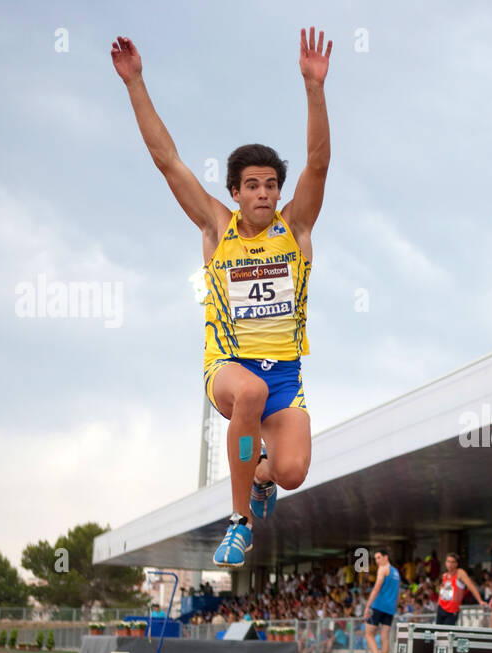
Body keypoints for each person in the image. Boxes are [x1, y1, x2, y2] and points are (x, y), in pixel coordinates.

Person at [111, 30, 332, 567]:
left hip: (286, 375)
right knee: (249, 392)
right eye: (251, 185)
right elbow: (167, 160)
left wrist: (313, 87)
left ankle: (260, 476)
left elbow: (319, 163)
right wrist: (136, 82)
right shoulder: (216, 226)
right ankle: (238, 523)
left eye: (270, 185)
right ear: (234, 192)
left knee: (292, 472)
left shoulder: (296, 227)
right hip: (229, 368)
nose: (263, 193)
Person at [362, 550, 400, 653]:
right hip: (390, 608)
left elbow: (377, 587)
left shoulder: (383, 569)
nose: (377, 561)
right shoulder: (396, 572)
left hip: (378, 606)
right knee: (385, 638)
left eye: (379, 557)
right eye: (375, 558)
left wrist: (367, 606)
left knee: (368, 633)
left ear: (386, 557)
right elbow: (397, 592)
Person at [435, 553, 486, 626]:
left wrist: (480, 601)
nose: (450, 564)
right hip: (441, 608)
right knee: (437, 633)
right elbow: (442, 593)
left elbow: (471, 586)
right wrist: (438, 603)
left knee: (445, 634)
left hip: (452, 610)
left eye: (452, 562)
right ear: (445, 563)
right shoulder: (445, 575)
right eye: (448, 561)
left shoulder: (460, 573)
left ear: (456, 564)